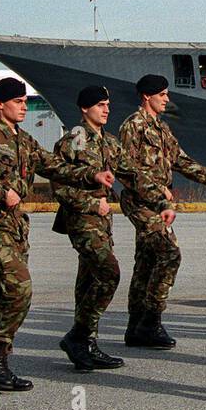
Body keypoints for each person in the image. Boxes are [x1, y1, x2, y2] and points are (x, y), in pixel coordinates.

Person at [0, 77, 115, 392]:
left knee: (6, 293)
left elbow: (54, 166)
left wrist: (91, 174)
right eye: (18, 101)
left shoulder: (24, 140)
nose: (24, 106)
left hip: (15, 227)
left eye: (26, 101)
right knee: (19, 288)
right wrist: (1, 191)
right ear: (0, 104)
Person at [117, 74, 206, 349]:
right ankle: (151, 321)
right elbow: (127, 171)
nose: (167, 99)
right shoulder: (133, 127)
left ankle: (135, 327)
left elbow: (180, 160)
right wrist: (159, 193)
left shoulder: (161, 128)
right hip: (142, 202)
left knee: (146, 262)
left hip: (158, 203)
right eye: (163, 95)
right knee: (170, 254)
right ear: (148, 96)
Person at [50, 85, 136, 372]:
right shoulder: (76, 139)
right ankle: (78, 336)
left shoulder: (108, 142)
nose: (106, 109)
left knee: (88, 280)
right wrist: (90, 203)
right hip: (82, 220)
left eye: (108, 104)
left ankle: (86, 344)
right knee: (109, 271)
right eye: (100, 104)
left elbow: (132, 174)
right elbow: (59, 186)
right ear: (85, 109)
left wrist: (160, 198)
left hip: (102, 223)